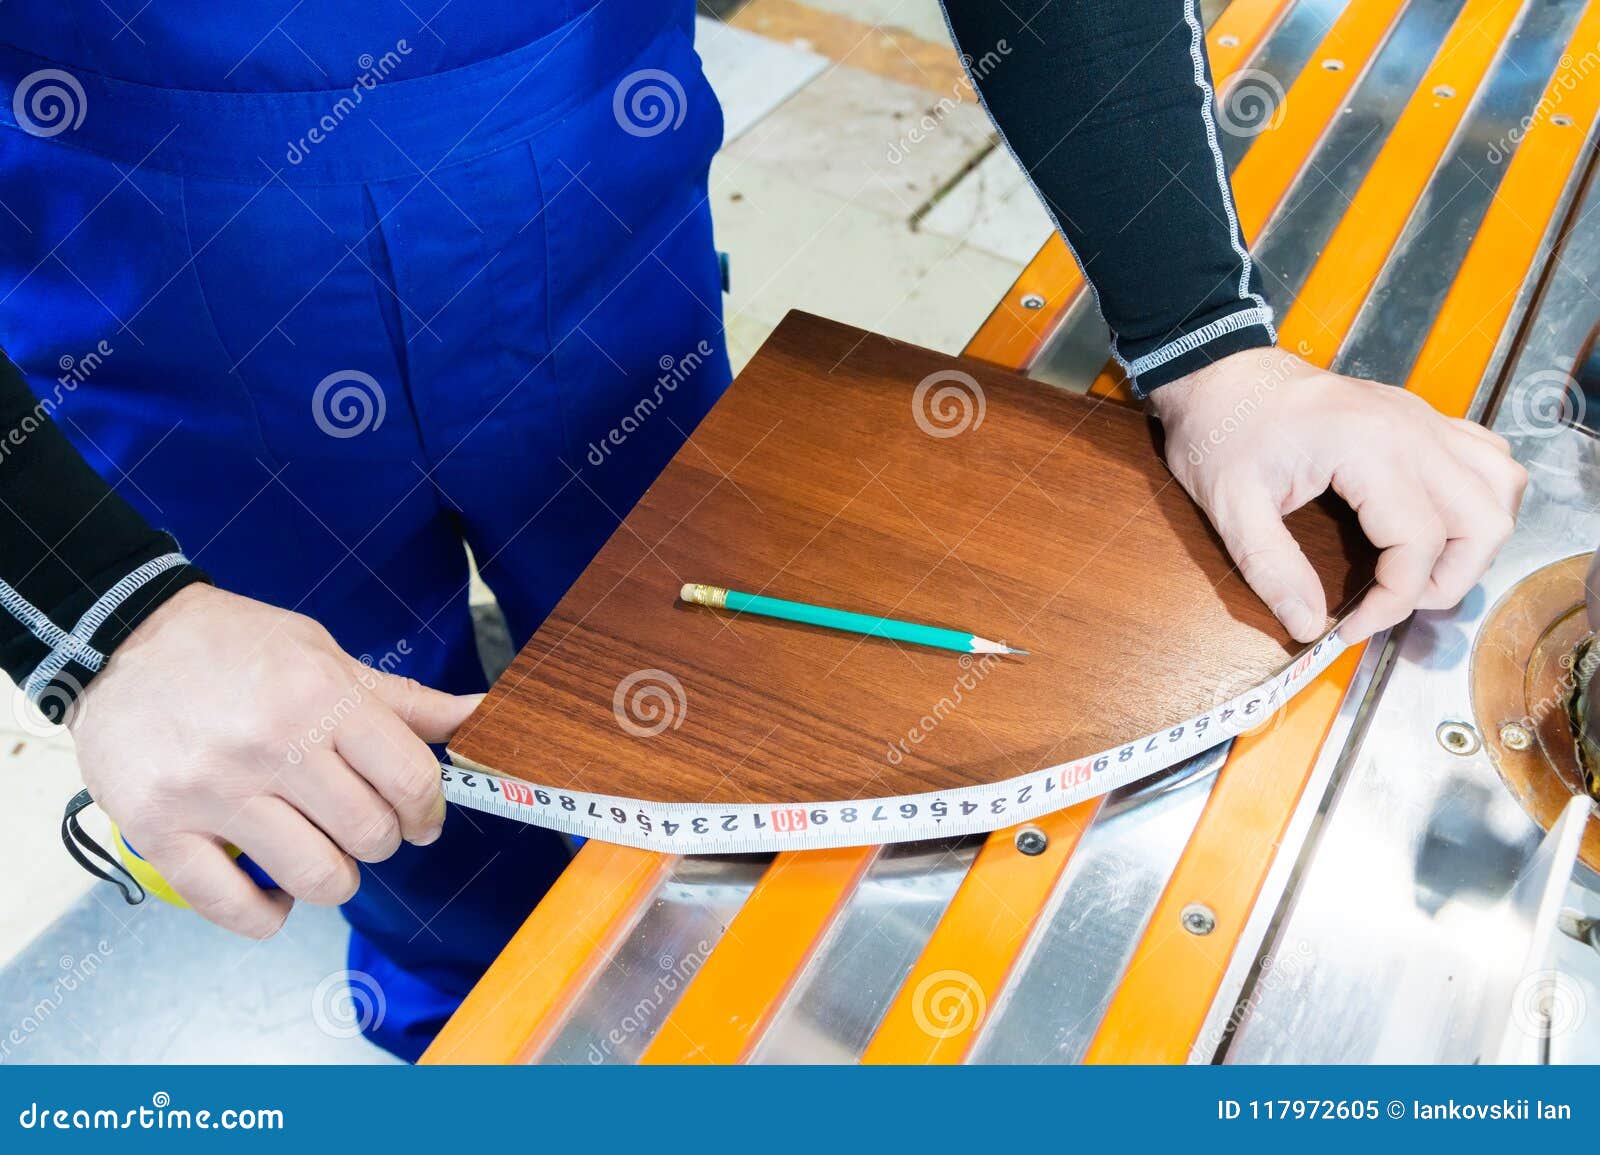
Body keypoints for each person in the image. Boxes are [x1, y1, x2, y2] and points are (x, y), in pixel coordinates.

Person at [0, 0, 1525, 1059]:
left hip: (580, 199)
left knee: (705, 690)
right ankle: (467, 1035)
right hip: (144, 263)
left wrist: (1209, 338)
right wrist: (103, 611)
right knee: (370, 795)